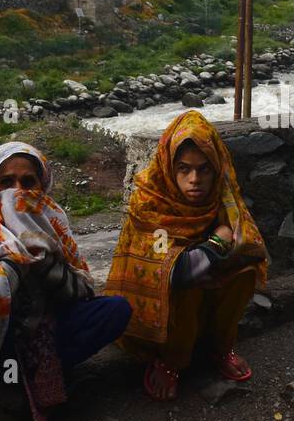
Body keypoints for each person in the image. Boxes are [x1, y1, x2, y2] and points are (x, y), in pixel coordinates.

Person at [0, 142, 131, 421]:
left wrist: (45, 264)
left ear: (41, 186)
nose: (16, 190)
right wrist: (18, 259)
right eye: (6, 182)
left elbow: (82, 289)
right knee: (0, 320)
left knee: (115, 310)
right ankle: (11, 385)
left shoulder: (49, 222)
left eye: (27, 181)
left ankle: (47, 371)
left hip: (46, 326)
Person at [105, 111, 269, 402]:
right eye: (184, 169)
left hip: (202, 287)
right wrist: (219, 239)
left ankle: (220, 349)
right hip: (160, 303)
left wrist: (219, 249)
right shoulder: (150, 200)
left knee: (244, 273)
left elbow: (252, 247)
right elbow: (175, 270)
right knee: (183, 280)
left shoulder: (221, 194)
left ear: (216, 168)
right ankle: (171, 359)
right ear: (169, 167)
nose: (194, 180)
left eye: (204, 169)